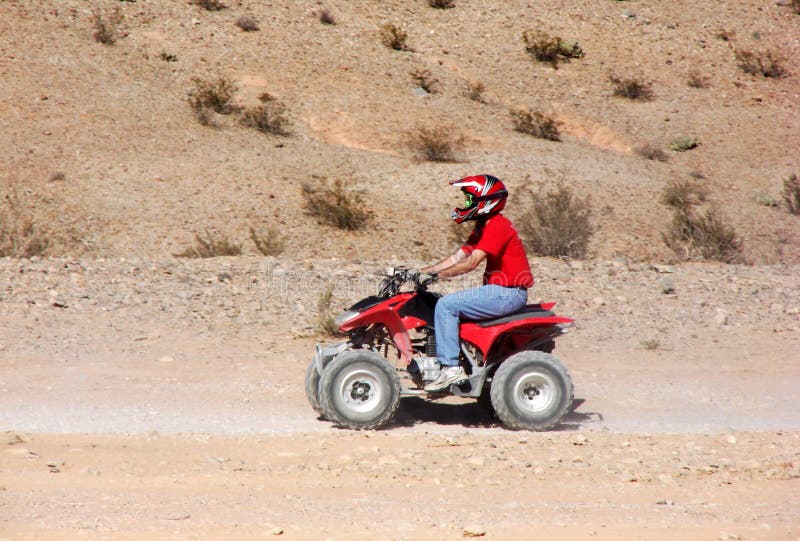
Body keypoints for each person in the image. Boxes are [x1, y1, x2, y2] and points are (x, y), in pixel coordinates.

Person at [416, 174, 534, 392]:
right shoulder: (483, 226)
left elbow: (471, 263)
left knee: (446, 305)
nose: (465, 204)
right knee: (438, 303)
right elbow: (456, 257)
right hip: (498, 291)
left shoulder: (498, 225)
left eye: (469, 200)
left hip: (508, 293)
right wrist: (418, 273)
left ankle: (451, 369)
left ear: (485, 201)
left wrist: (434, 277)